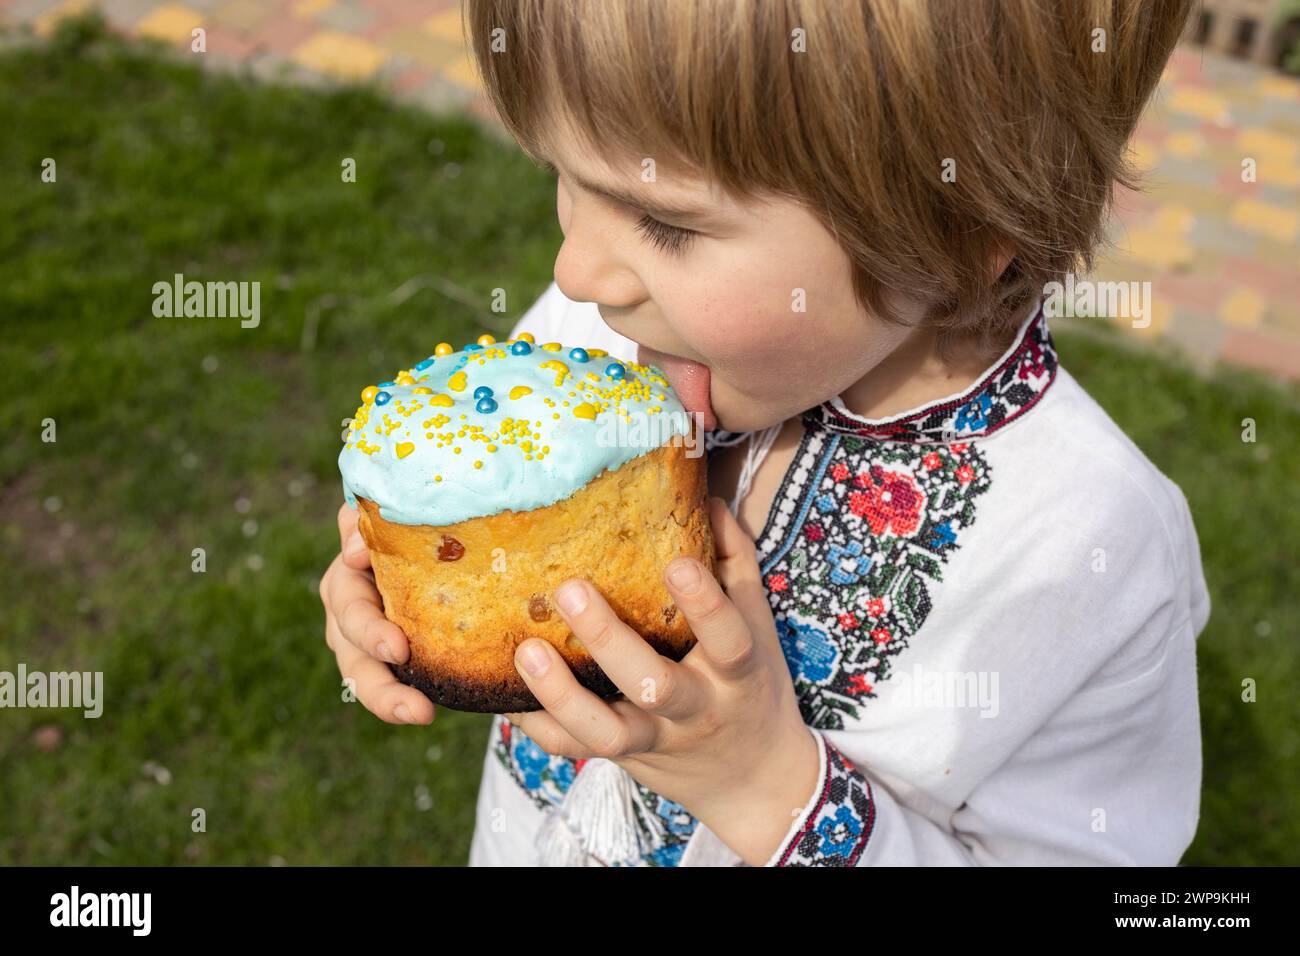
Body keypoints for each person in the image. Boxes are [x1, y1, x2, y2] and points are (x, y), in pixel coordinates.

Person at [320, 0, 1209, 866]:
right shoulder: (592, 340)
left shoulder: (1090, 551)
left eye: (666, 220)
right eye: (560, 171)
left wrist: (760, 784)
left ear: (961, 231)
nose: (575, 270)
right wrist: (405, 600)